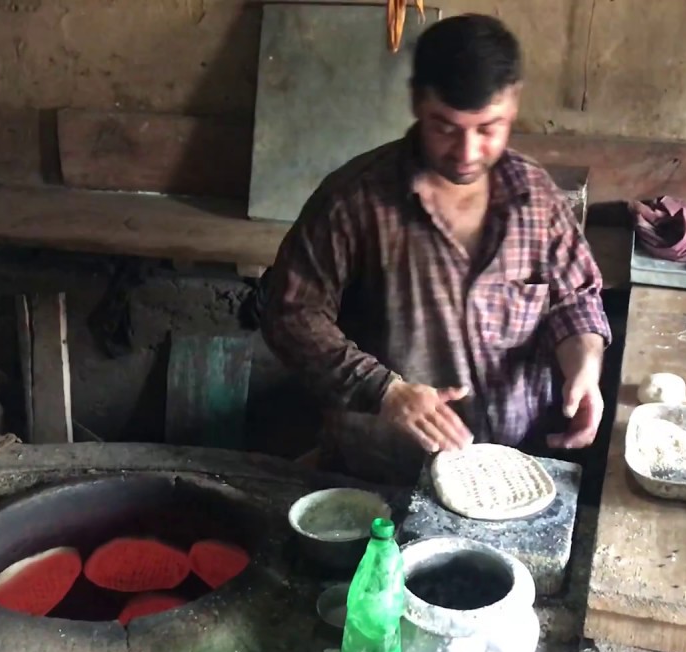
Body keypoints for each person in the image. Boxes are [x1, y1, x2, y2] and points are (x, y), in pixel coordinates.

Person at [259, 13, 611, 484]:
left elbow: (575, 298)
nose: (466, 152)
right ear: (416, 102)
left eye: (488, 128)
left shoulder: (536, 197)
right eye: (445, 127)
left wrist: (584, 365)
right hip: (389, 476)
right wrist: (385, 392)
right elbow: (290, 314)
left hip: (516, 473)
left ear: (513, 105)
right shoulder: (355, 202)